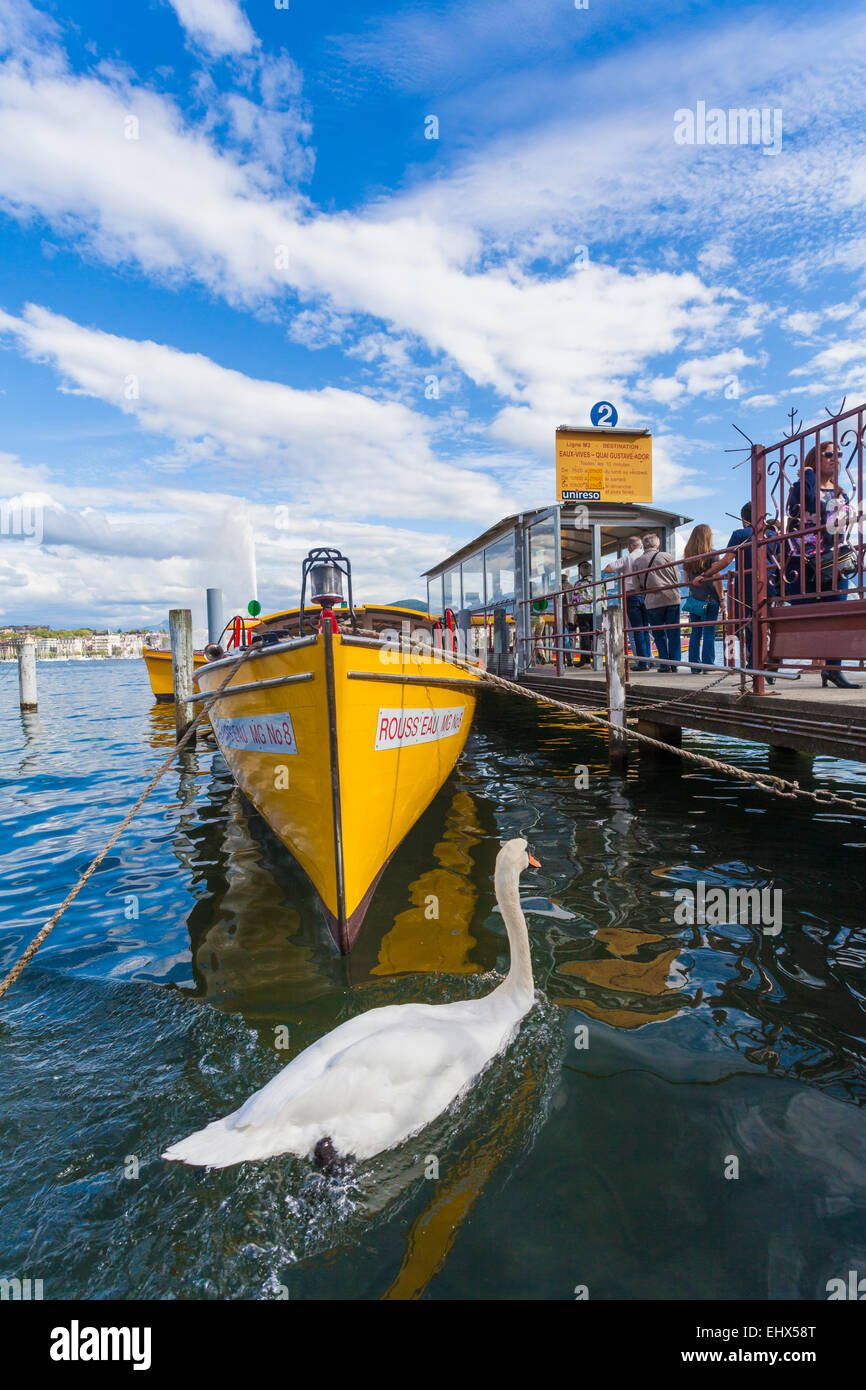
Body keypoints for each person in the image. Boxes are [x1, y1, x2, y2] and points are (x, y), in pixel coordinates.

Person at [785, 441, 860, 689]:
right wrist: (807, 474)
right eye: (829, 454)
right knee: (800, 615)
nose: (835, 458)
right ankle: (774, 658)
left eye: (839, 454)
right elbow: (802, 504)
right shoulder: (802, 485)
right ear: (816, 459)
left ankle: (833, 669)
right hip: (801, 561)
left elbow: (837, 525)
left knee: (838, 614)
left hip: (832, 560)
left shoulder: (840, 491)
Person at [631, 534, 681, 672]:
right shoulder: (667, 557)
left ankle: (664, 664)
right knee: (673, 632)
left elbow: (636, 586)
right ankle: (675, 664)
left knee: (658, 634)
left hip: (652, 601)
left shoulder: (638, 562)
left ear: (644, 545)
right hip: (671, 598)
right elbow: (677, 577)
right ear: (657, 545)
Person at [603, 535, 652, 671]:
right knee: (645, 628)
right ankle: (649, 658)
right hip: (647, 594)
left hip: (631, 595)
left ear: (629, 547)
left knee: (636, 629)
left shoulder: (627, 558)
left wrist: (621, 571)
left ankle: (642, 662)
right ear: (641, 545)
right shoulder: (647, 556)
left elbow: (607, 568)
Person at [682, 524, 722, 672]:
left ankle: (694, 666)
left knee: (695, 633)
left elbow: (686, 581)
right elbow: (717, 578)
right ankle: (708, 665)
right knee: (709, 632)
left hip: (694, 599)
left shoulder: (688, 555)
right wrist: (722, 599)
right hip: (710, 598)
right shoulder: (713, 554)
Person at [571, 563, 594, 666]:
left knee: (584, 636)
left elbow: (574, 600)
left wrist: (575, 613)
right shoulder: (599, 581)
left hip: (582, 612)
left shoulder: (578, 584)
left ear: (581, 572)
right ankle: (596, 658)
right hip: (596, 611)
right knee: (595, 635)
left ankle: (585, 660)